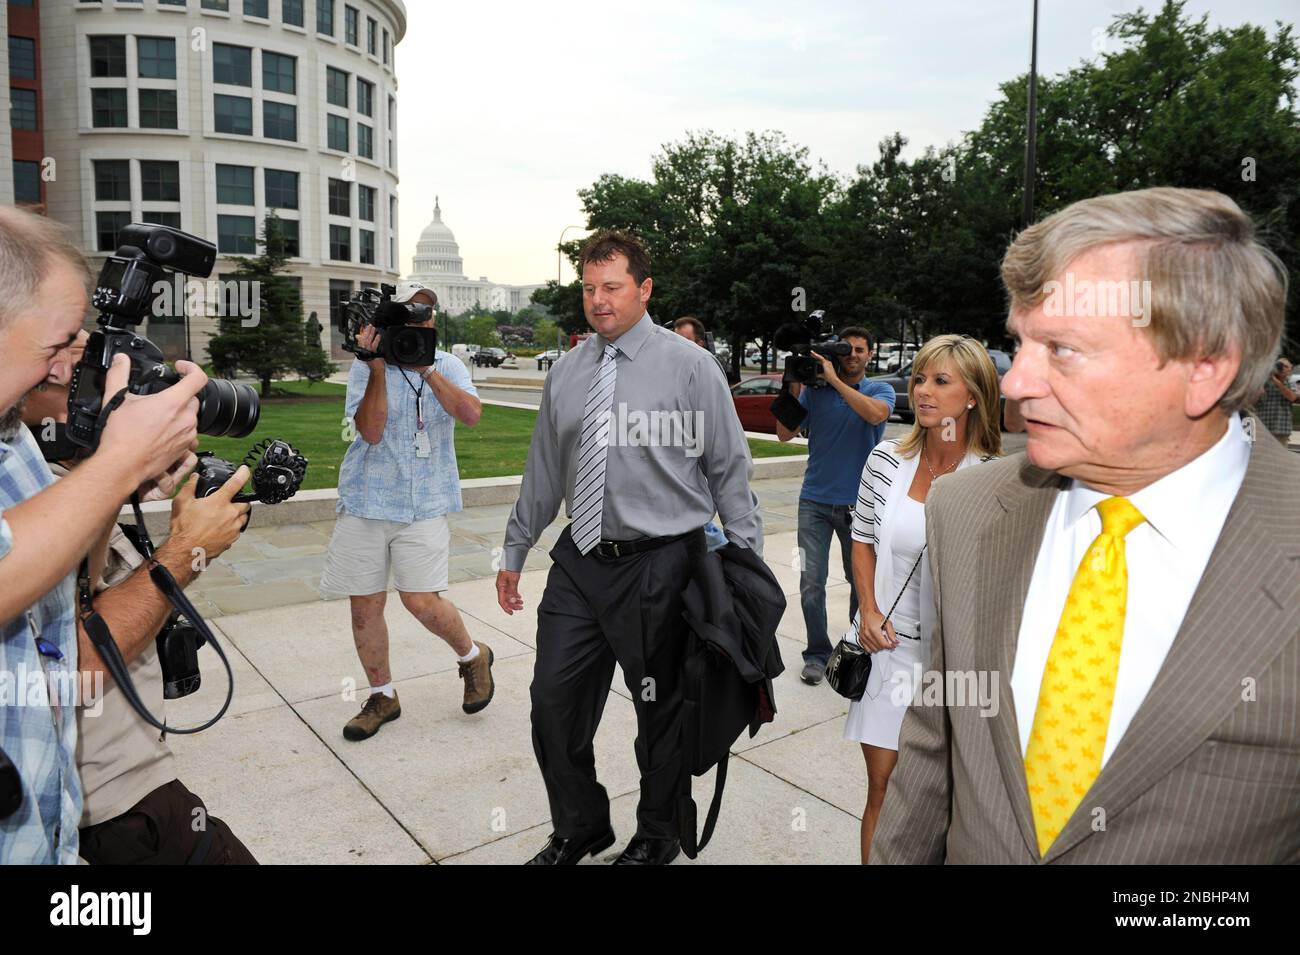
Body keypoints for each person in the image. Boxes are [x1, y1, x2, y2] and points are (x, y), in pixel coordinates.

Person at [872, 186, 1300, 864]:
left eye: (1063, 349)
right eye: (1021, 342)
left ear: (1205, 366)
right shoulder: (966, 510)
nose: (1013, 384)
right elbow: (933, 745)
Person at [496, 229, 762, 865]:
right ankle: (581, 825)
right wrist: (515, 549)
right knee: (551, 703)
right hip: (579, 565)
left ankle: (658, 834)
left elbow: (730, 471)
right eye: (588, 288)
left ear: (644, 289)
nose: (598, 300)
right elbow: (544, 471)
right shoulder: (566, 371)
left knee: (661, 714)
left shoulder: (691, 367)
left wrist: (745, 576)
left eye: (611, 286)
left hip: (662, 566)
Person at [0, 208, 205, 864]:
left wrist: (108, 479)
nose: (68, 367)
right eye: (57, 343)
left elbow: (62, 596)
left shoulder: (12, 443)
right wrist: (121, 463)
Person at [20, 339, 258, 864]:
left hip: (111, 787)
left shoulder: (50, 470)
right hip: (113, 802)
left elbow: (89, 591)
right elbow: (78, 658)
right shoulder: (26, 490)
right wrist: (184, 552)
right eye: (72, 365)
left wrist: (121, 475)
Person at [843, 334, 1002, 864]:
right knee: (883, 790)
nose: (923, 392)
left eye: (941, 381)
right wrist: (866, 608)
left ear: (974, 396)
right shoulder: (887, 459)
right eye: (919, 379)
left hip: (954, 668)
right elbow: (862, 538)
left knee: (950, 806)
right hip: (887, 652)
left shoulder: (994, 479)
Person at [319, 281, 494, 741]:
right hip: (367, 500)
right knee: (364, 608)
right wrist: (378, 367)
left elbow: (473, 415)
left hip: (426, 500)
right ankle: (383, 695)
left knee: (421, 601)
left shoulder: (450, 363)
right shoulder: (367, 363)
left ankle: (472, 656)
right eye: (411, 315)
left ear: (435, 319)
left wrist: (427, 369)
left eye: (427, 314)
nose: (419, 322)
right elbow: (370, 431)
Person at [775, 327, 896, 684]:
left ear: (870, 355)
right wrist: (792, 387)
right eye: (847, 349)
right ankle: (816, 654)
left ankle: (856, 649)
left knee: (861, 586)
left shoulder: (879, 389)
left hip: (860, 507)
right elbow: (784, 434)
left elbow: (875, 416)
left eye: (860, 349)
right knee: (811, 582)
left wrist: (835, 381)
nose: (853, 355)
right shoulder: (816, 393)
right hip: (812, 502)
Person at [1249, 356, 1296, 444]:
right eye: (1280, 365)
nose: (1282, 368)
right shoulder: (1263, 381)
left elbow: (1292, 397)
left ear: (1290, 370)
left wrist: (1275, 380)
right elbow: (1252, 399)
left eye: (1286, 366)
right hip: (1263, 428)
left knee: (1279, 457)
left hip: (1281, 429)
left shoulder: (1291, 382)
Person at [673, 315, 730, 382]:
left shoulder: (709, 373)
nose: (678, 346)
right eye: (675, 340)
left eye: (685, 341)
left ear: (700, 344)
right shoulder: (669, 368)